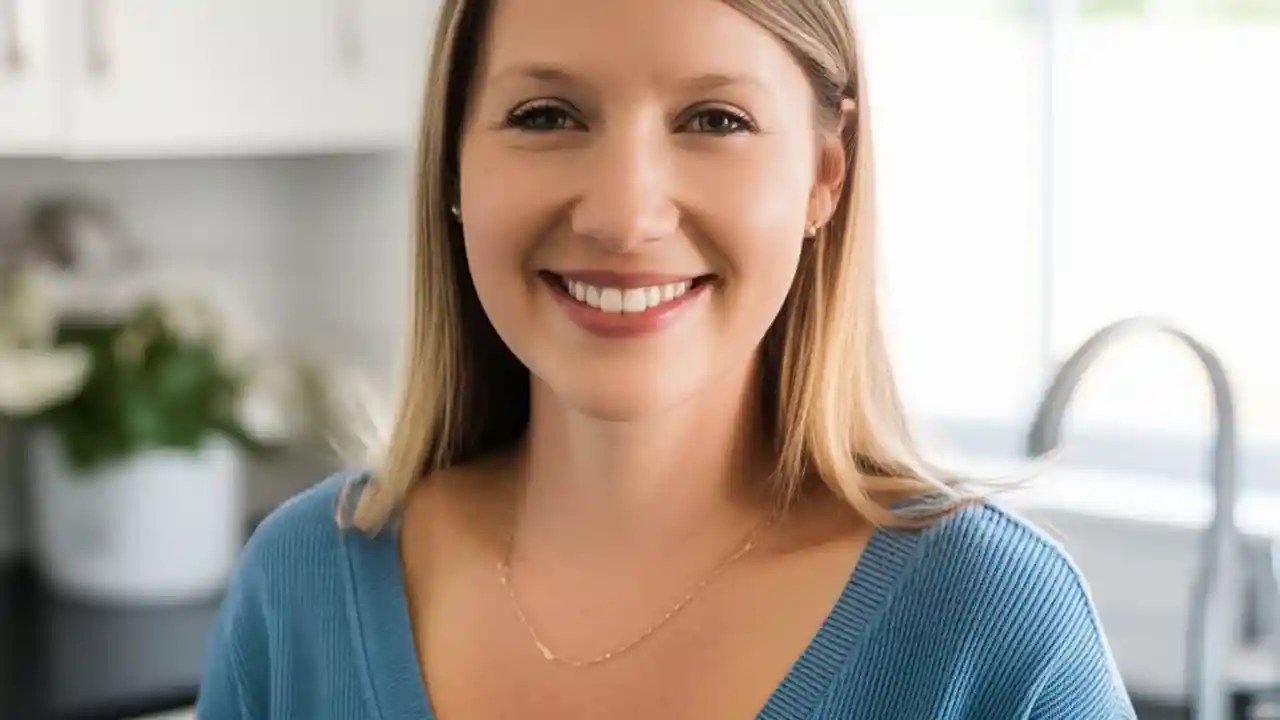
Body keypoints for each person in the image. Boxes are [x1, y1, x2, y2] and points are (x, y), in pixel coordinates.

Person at [196, 0, 1138, 717]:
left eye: (715, 120)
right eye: (547, 115)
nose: (622, 213)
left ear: (824, 173)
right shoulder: (300, 589)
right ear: (453, 162)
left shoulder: (995, 634)